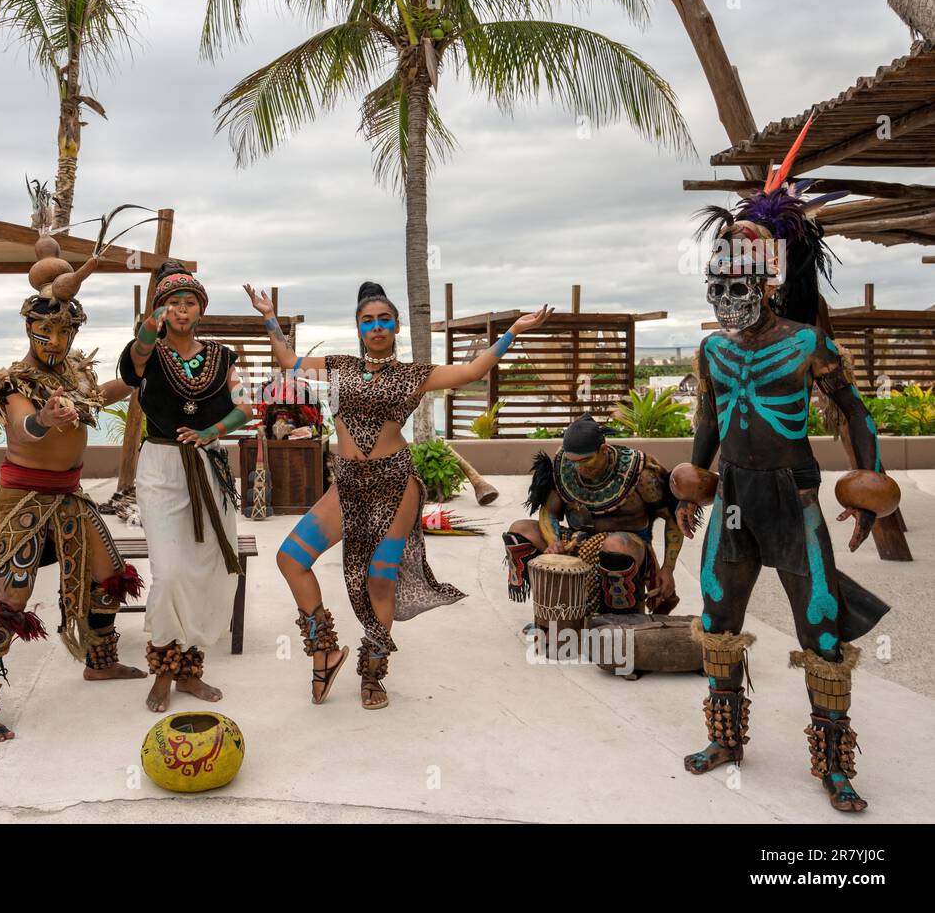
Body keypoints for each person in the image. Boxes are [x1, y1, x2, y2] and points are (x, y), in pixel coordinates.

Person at [675, 118, 894, 811]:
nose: (729, 290)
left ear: (769, 280)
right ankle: (727, 738)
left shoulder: (806, 344)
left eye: (740, 275)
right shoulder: (712, 353)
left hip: (794, 498)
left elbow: (855, 411)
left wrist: (866, 491)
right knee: (717, 619)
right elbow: (708, 420)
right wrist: (694, 483)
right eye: (719, 276)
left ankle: (833, 761)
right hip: (734, 494)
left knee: (820, 627)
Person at [247, 280, 552, 709]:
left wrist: (512, 332)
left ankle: (373, 674)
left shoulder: (413, 375)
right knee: (291, 559)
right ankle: (325, 650)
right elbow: (289, 362)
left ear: (394, 326)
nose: (376, 326)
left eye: (384, 320)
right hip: (349, 483)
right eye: (368, 320)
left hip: (396, 485)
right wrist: (268, 317)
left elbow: (472, 372)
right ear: (358, 327)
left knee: (379, 578)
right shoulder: (337, 367)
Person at [0, 267, 144, 745]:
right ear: (29, 329)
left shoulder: (76, 376)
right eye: (48, 331)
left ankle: (99, 663)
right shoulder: (15, 383)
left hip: (69, 496)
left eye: (66, 331)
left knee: (110, 575)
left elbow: (101, 396)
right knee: (12, 599)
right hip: (24, 499)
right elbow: (24, 428)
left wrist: (138, 378)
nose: (57, 340)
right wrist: (43, 417)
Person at [119, 264, 254, 713]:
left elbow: (245, 408)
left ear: (201, 309)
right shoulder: (149, 352)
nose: (181, 309)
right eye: (172, 302)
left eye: (189, 302)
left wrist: (212, 431)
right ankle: (162, 669)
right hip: (160, 470)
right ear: (160, 310)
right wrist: (146, 330)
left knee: (211, 572)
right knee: (171, 571)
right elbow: (136, 360)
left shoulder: (222, 356)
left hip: (208, 468)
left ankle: (190, 671)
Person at [506, 414, 682, 617]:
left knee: (616, 545)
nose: (579, 467)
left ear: (604, 450)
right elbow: (548, 512)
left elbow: (672, 518)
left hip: (628, 546)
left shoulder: (641, 473)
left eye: (586, 460)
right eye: (574, 461)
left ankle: (620, 620)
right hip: (576, 542)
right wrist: (553, 542)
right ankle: (555, 610)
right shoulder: (562, 467)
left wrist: (668, 568)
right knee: (519, 530)